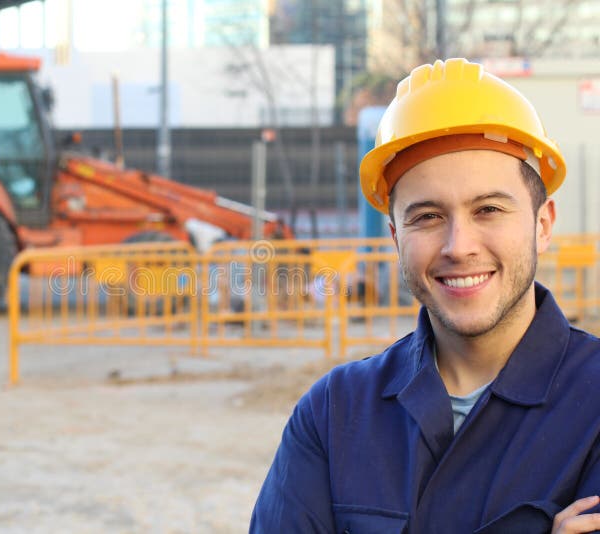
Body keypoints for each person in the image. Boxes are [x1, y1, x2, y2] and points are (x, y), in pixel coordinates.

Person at [250, 58, 600, 533]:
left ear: (542, 225)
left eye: (489, 209)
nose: (459, 246)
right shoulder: (335, 415)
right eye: (428, 217)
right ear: (396, 237)